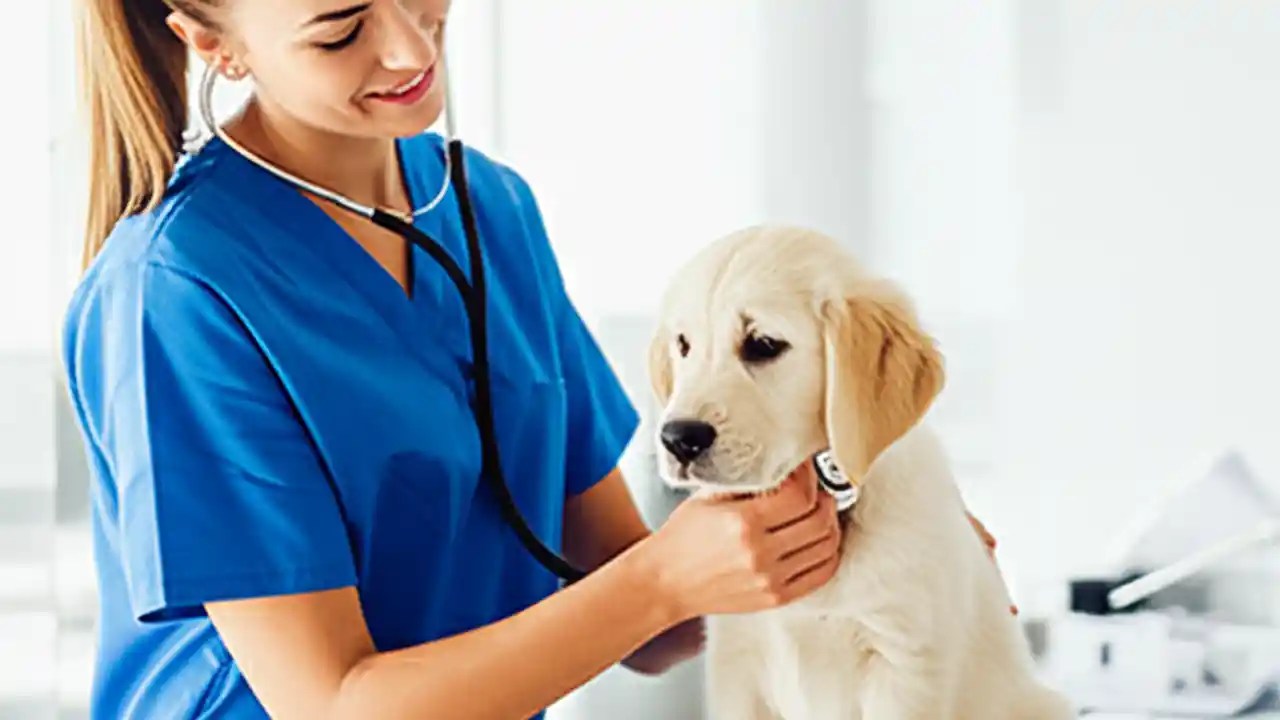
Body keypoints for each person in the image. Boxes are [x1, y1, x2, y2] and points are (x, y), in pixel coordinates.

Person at [64, 1, 1003, 718]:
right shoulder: (178, 288)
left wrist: (867, 533)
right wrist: (669, 581)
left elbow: (644, 608)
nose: (408, 47)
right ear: (214, 43)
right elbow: (333, 703)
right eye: (340, 29)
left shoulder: (489, 212)